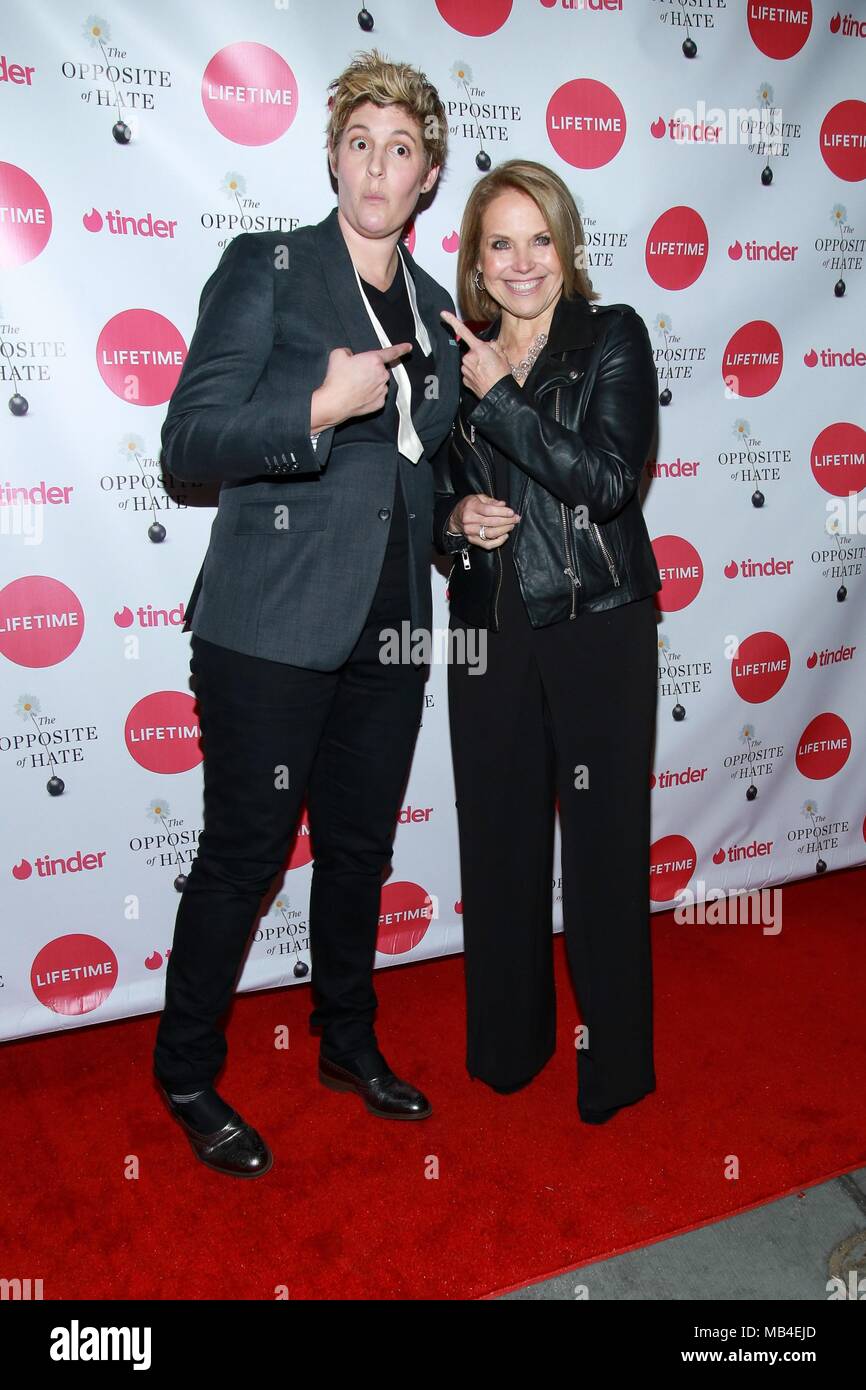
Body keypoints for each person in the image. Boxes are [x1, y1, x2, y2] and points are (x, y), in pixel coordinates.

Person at [152, 49, 461, 1177]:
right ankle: (186, 1069)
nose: (378, 165)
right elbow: (187, 441)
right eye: (359, 141)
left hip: (391, 626)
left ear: (426, 177)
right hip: (266, 629)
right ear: (332, 155)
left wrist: (455, 512)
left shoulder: (433, 310)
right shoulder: (267, 267)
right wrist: (316, 406)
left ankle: (346, 1041)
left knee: (362, 850)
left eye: (401, 148)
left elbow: (412, 468)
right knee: (242, 854)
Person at [434, 160, 662, 1123]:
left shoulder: (613, 338)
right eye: (501, 244)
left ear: (566, 248)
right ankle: (509, 1051)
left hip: (597, 628)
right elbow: (431, 498)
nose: (522, 262)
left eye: (540, 239)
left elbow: (608, 482)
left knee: (605, 851)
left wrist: (500, 399)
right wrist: (458, 521)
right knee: (497, 844)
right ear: (478, 266)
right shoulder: (453, 357)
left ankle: (614, 1069)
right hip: (489, 630)